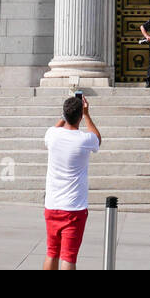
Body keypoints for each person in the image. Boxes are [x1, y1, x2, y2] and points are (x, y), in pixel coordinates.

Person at [43, 94, 101, 271]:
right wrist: (87, 114)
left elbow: (57, 126)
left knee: (52, 252)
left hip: (52, 205)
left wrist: (65, 115)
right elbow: (97, 138)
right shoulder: (84, 140)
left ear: (64, 114)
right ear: (80, 117)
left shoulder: (52, 135)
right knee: (68, 257)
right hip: (73, 208)